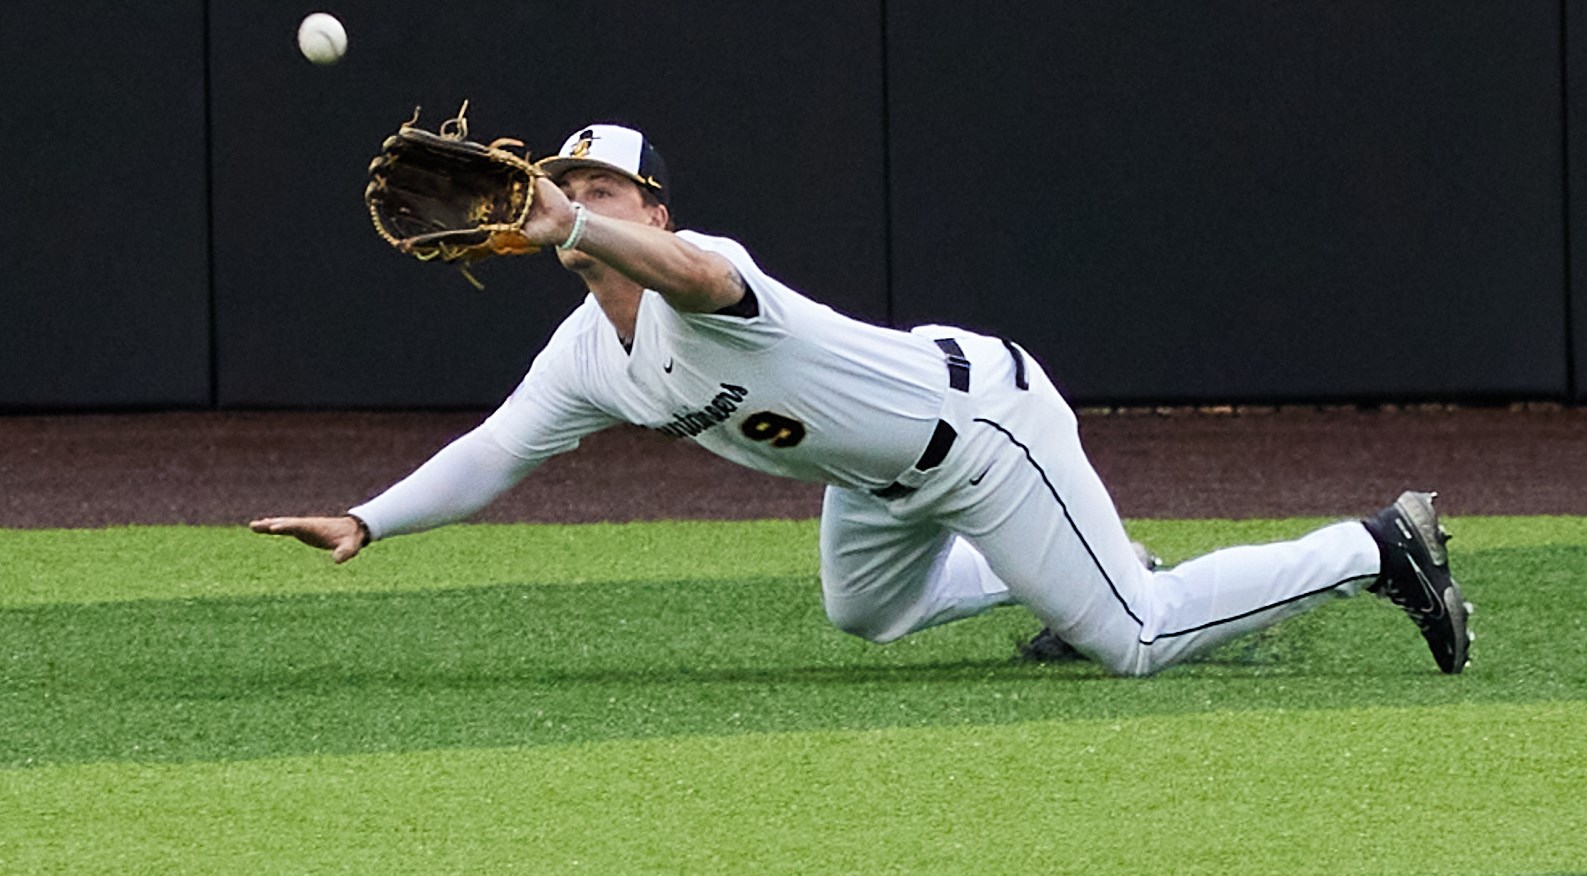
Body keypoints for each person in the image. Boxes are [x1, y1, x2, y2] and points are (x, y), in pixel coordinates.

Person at [251, 123, 1473, 676]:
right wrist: (367, 519)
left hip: (984, 434)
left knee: (1136, 642)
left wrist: (575, 224)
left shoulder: (703, 271)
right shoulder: (584, 354)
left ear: (653, 212)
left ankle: (1376, 548)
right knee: (866, 612)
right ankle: (1084, 570)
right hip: (878, 478)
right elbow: (495, 452)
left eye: (601, 189)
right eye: (563, 183)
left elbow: (697, 276)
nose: (571, 198)